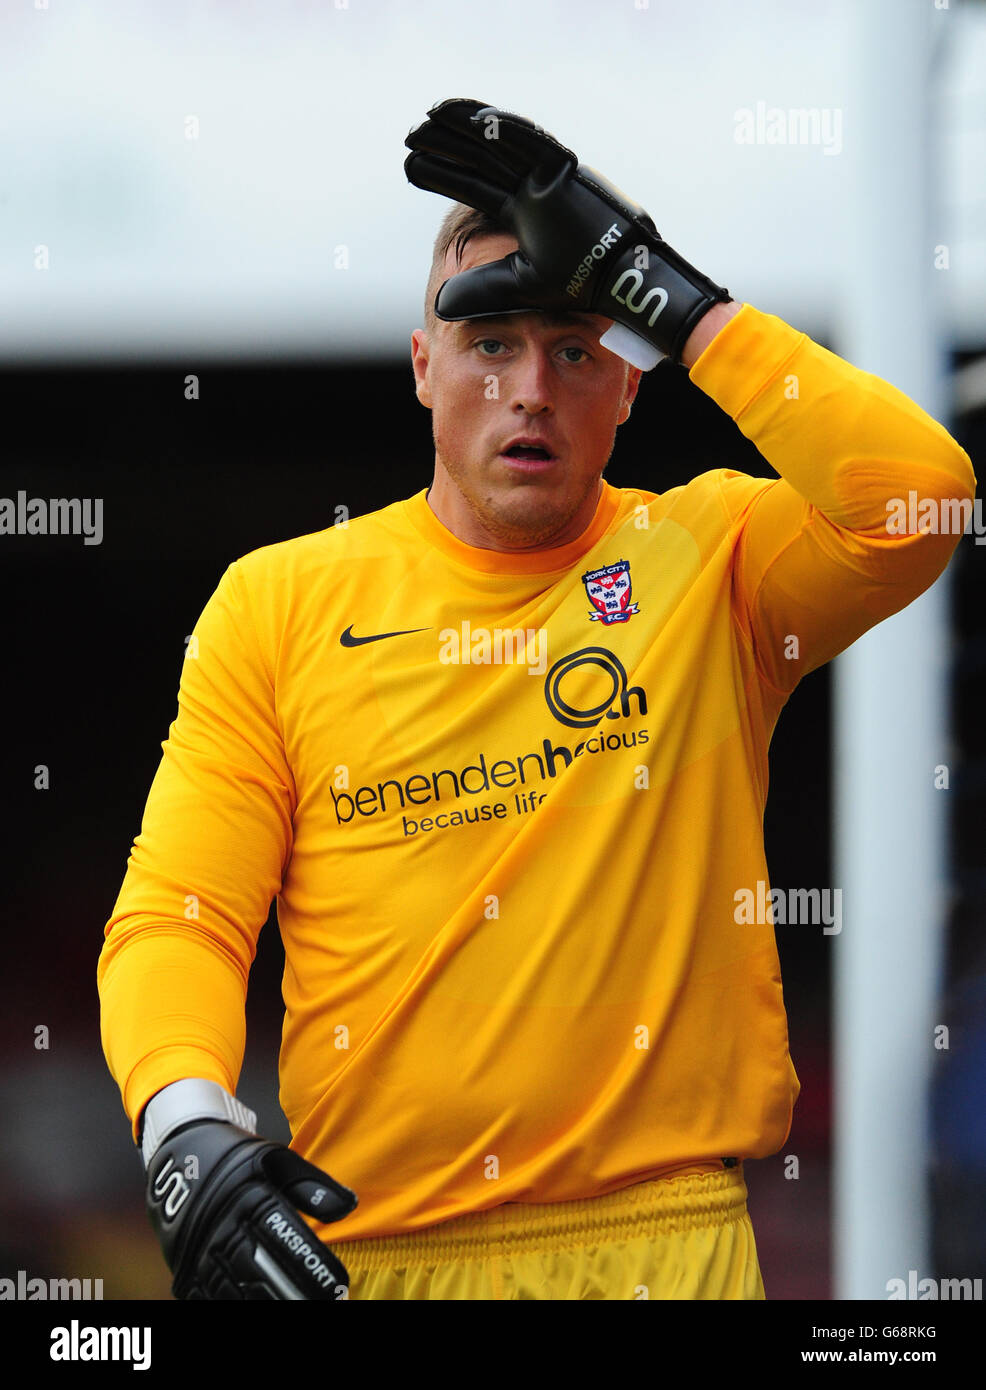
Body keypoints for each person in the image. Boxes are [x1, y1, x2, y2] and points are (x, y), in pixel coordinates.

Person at [97, 99, 976, 1301]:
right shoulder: (277, 603)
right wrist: (183, 1119)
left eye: (574, 348)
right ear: (423, 368)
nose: (528, 389)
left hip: (665, 1250)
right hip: (372, 1256)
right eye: (489, 344)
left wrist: (675, 300)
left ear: (629, 382)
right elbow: (182, 915)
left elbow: (918, 497)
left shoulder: (711, 556)